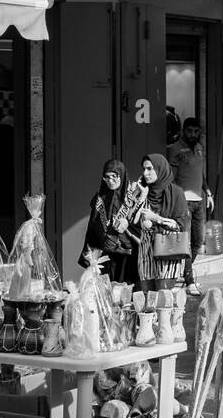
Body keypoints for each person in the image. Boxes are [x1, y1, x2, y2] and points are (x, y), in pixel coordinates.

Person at [134, 154, 192, 293]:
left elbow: (180, 225)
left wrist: (155, 218)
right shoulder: (143, 192)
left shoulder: (176, 192)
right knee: (147, 297)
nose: (145, 173)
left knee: (163, 298)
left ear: (160, 169)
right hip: (146, 253)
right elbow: (132, 220)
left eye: (150, 169)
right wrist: (141, 196)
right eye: (144, 169)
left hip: (167, 252)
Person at [169, 117, 214, 295]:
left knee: (198, 241)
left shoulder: (199, 148)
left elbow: (200, 174)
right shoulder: (175, 149)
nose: (193, 134)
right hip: (183, 201)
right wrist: (174, 200)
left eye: (196, 131)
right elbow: (171, 177)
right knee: (185, 242)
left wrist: (208, 192)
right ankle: (189, 281)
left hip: (199, 200)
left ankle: (182, 272)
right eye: (189, 131)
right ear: (183, 131)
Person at [80, 159, 137, 282]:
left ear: (121, 176)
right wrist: (89, 252)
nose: (110, 181)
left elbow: (140, 224)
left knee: (124, 292)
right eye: (107, 177)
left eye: (114, 177)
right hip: (104, 253)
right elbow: (92, 226)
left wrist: (127, 223)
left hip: (126, 253)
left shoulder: (132, 196)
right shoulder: (101, 196)